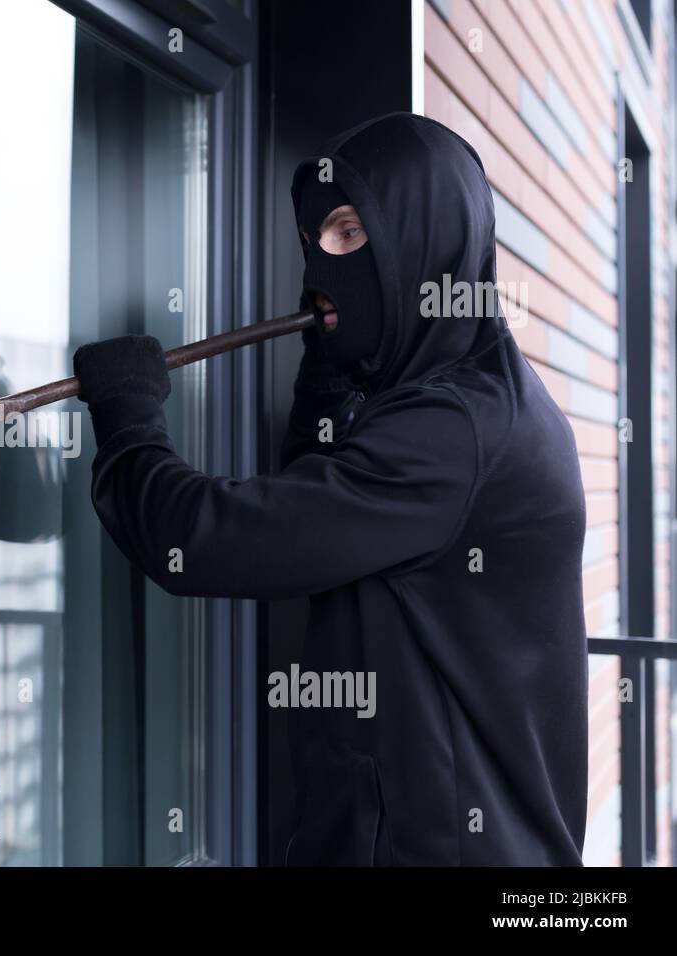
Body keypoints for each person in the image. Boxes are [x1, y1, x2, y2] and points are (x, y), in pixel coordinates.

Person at [71, 112, 588, 866]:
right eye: (314, 240)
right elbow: (316, 513)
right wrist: (326, 374)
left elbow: (208, 542)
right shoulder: (473, 396)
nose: (320, 265)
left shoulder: (453, 429)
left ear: (423, 243)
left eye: (349, 234)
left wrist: (127, 415)